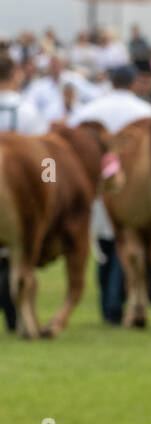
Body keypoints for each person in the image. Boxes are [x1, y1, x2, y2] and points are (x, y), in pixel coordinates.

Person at [69, 64, 151, 326]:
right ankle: (114, 305)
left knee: (103, 246)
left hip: (96, 185)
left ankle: (107, 307)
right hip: (130, 187)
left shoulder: (88, 111)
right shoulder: (147, 113)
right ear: (133, 83)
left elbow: (68, 145)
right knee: (125, 241)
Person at [0, 52, 49, 332]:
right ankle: (20, 318)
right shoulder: (28, 111)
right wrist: (49, 184)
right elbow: (46, 156)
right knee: (18, 255)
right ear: (15, 74)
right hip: (20, 193)